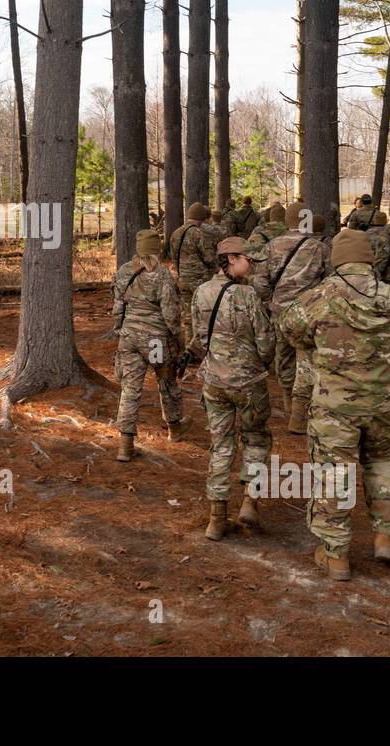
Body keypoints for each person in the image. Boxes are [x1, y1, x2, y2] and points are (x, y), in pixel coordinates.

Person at [282, 230, 390, 581]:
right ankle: (385, 536)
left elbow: (290, 330)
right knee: (386, 460)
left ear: (337, 261)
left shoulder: (318, 298)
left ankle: (336, 555)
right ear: (368, 260)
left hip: (334, 408)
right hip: (384, 404)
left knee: (334, 472)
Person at [190, 237, 275, 539]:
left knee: (221, 445)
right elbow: (265, 342)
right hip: (250, 381)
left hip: (214, 381)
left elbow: (200, 338)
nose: (251, 265)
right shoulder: (249, 296)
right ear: (231, 259)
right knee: (256, 438)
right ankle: (251, 501)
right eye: (247, 259)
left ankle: (216, 518)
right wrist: (261, 363)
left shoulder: (201, 292)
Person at [255, 200, 330, 434]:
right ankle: (299, 412)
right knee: (306, 359)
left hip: (280, 311)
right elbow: (330, 280)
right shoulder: (319, 248)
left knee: (283, 353)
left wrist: (271, 301)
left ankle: (287, 395)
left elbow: (260, 281)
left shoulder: (272, 246)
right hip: (308, 312)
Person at [111, 229, 184, 461]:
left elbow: (117, 307)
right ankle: (174, 428)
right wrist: (176, 336)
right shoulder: (162, 275)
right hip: (154, 340)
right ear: (157, 250)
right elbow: (170, 313)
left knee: (130, 390)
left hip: (129, 337)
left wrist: (119, 330)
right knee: (166, 381)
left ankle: (125, 444)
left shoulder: (124, 271)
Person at [169, 202, 216, 346]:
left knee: (188, 316)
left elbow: (172, 256)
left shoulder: (176, 233)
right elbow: (209, 258)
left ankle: (190, 348)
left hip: (182, 279)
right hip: (200, 281)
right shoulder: (198, 233)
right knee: (203, 314)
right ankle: (202, 347)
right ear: (201, 217)